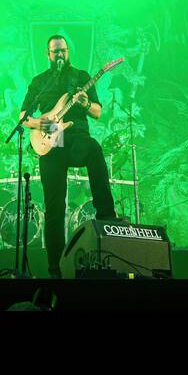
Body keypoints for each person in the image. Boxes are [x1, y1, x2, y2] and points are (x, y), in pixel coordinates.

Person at [18, 35, 121, 277]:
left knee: (94, 150)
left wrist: (85, 104)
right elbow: (23, 116)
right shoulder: (39, 81)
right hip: (51, 138)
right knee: (54, 206)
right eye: (55, 52)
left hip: (75, 135)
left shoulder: (81, 77)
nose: (60, 55)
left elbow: (97, 112)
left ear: (68, 52)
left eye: (63, 50)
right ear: (48, 54)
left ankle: (106, 214)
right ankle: (55, 268)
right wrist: (39, 122)